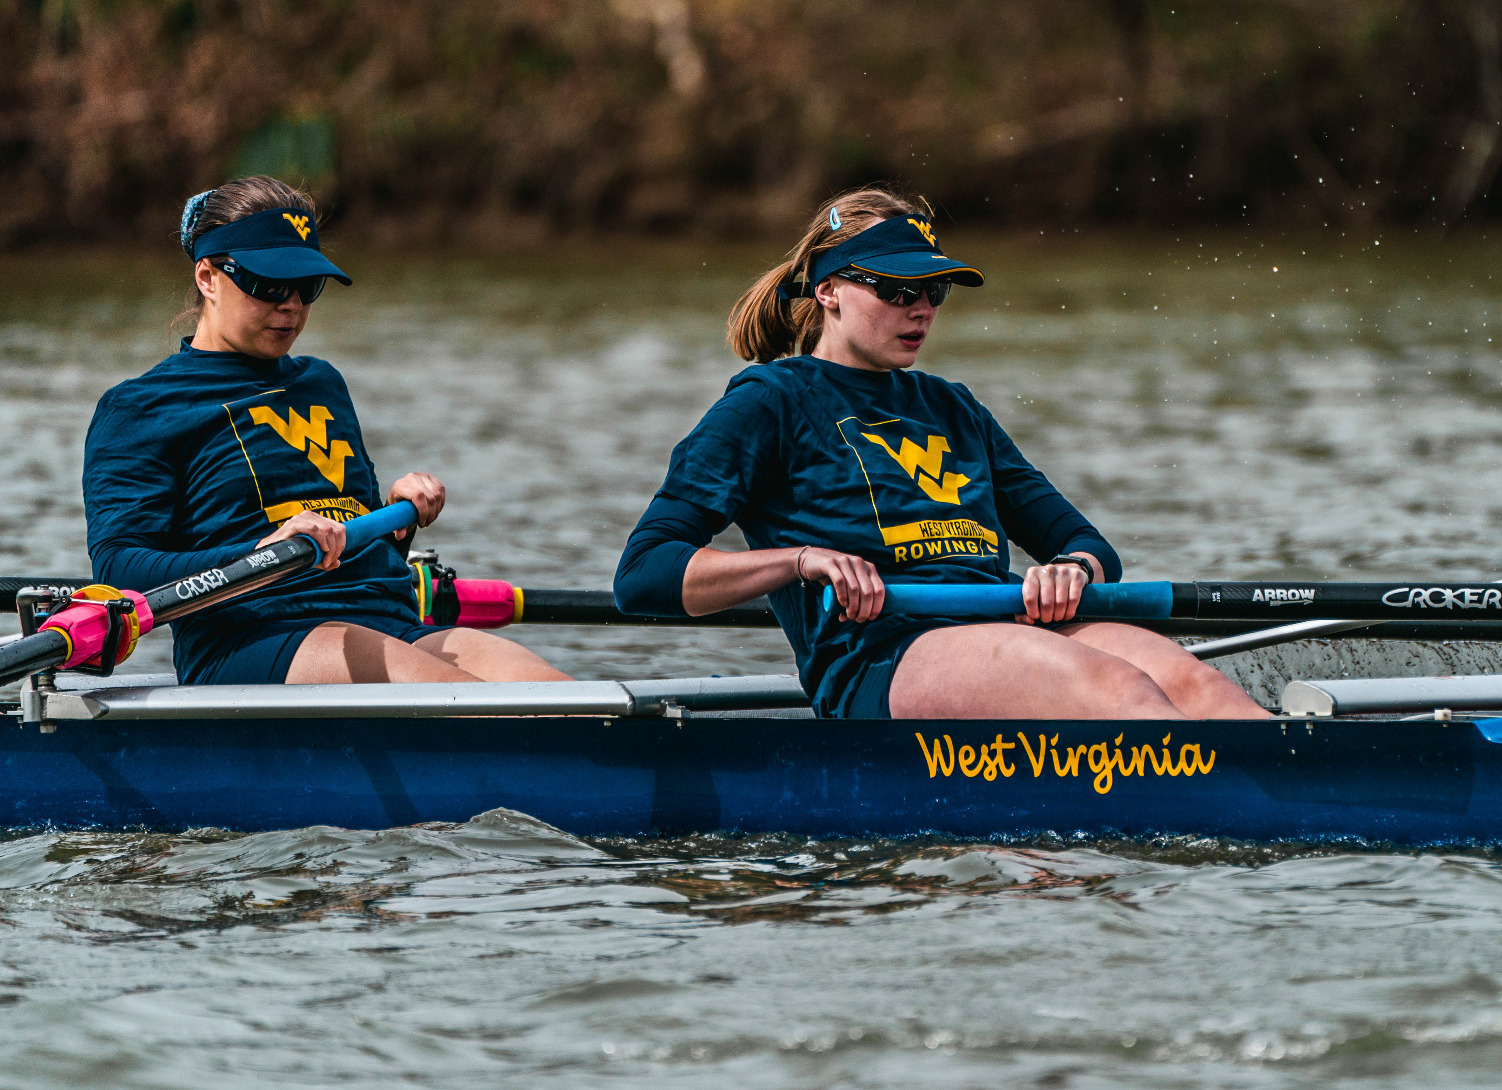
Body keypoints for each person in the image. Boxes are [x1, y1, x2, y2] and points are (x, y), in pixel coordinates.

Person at [614, 187, 1267, 720]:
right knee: (1120, 693)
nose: (922, 309)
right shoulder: (768, 402)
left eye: (936, 292)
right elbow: (644, 573)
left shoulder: (952, 407)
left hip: (1009, 627)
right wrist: (799, 562)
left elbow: (1088, 546)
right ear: (829, 291)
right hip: (885, 656)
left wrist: (1073, 571)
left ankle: (1309, 824)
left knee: (1202, 689)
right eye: (898, 291)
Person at [81, 176, 569, 686]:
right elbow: (118, 572)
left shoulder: (322, 383)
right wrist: (264, 552)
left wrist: (391, 521)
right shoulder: (139, 408)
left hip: (388, 620)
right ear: (207, 277)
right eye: (268, 285)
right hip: (256, 634)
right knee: (484, 706)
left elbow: (349, 540)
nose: (290, 304)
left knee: (571, 700)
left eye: (306, 286)